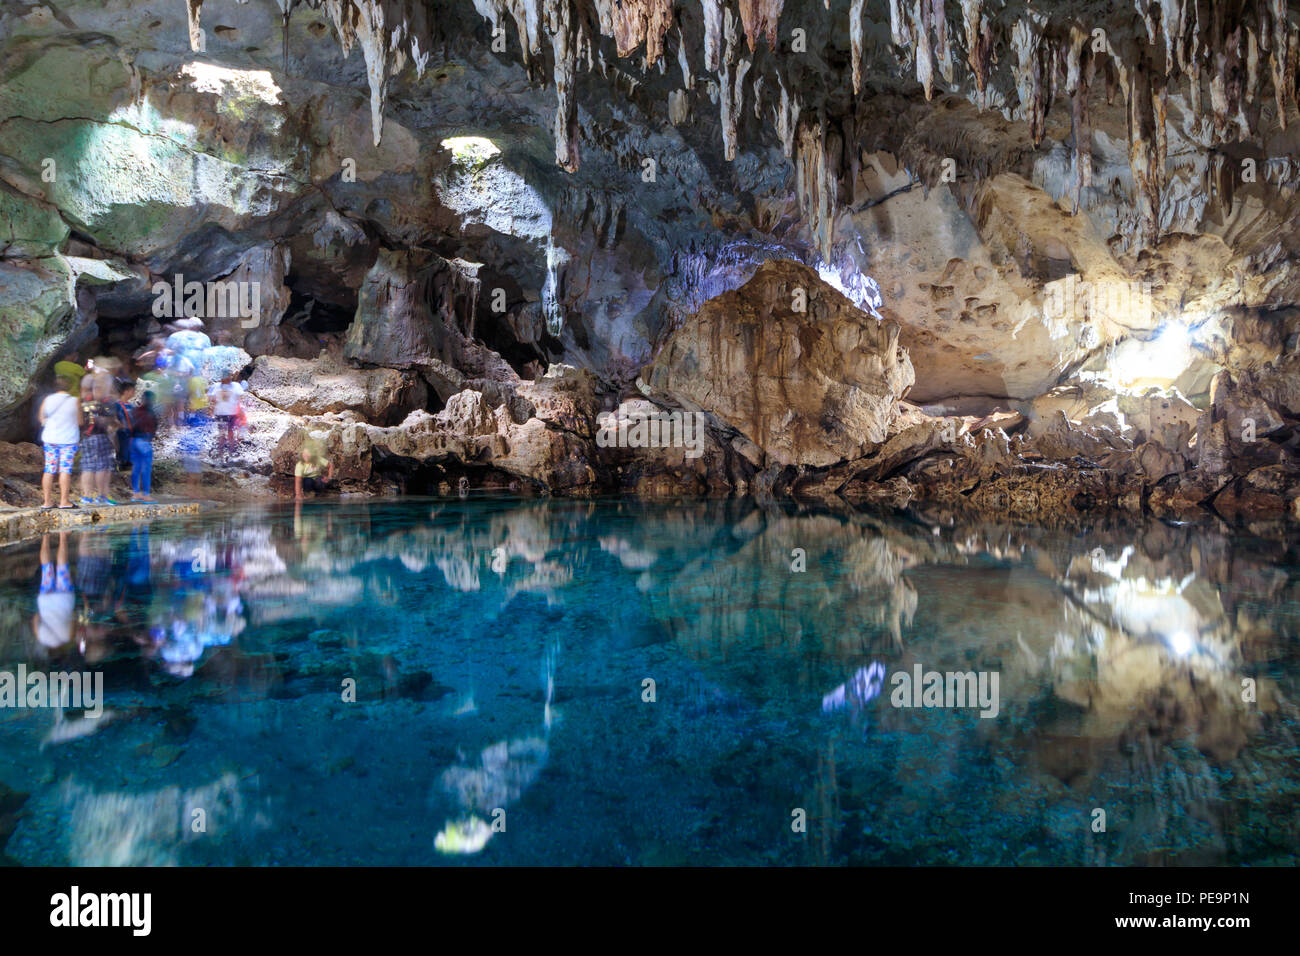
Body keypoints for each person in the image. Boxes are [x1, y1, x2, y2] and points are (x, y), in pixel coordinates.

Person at [38, 374, 83, 509]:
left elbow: (41, 418)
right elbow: (80, 421)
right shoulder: (75, 401)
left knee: (49, 469)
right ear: (69, 386)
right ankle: (64, 502)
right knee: (64, 470)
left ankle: (47, 502)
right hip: (68, 441)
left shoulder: (47, 399)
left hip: (50, 439)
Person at [31, 532, 76, 651]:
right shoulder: (42, 638)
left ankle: (63, 535)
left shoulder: (68, 638)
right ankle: (45, 536)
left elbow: (74, 618)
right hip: (46, 601)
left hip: (64, 600)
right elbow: (36, 618)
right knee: (46, 569)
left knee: (62, 567)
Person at [78, 377, 118, 506]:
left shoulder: (84, 402)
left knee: (88, 467)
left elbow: (80, 422)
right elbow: (109, 422)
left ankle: (87, 496)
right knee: (103, 467)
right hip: (100, 437)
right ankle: (102, 496)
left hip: (86, 438)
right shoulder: (103, 404)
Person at [128, 391, 159, 502]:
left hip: (133, 441)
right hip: (144, 441)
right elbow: (154, 427)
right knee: (146, 469)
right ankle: (146, 494)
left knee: (136, 468)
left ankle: (136, 493)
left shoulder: (134, 411)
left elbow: (129, 426)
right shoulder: (150, 413)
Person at [207, 373, 245, 461]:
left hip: (232, 413)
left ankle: (230, 454)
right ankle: (222, 454)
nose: (226, 380)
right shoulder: (217, 386)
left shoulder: (234, 386)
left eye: (228, 378)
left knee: (230, 433)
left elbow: (240, 397)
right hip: (221, 413)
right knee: (222, 434)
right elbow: (211, 398)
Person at [112, 380, 136, 471]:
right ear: (126, 392)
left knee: (130, 448)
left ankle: (129, 463)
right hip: (122, 432)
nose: (133, 393)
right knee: (123, 448)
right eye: (132, 391)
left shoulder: (131, 405)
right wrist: (120, 425)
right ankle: (121, 464)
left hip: (131, 432)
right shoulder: (118, 405)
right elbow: (114, 417)